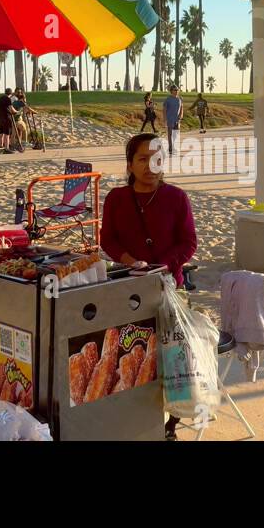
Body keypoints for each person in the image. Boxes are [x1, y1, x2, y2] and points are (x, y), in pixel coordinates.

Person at [100, 133, 198, 441]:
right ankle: (134, 421)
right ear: (129, 164)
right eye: (142, 159)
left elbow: (188, 243)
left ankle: (170, 425)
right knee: (133, 359)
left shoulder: (177, 198)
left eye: (156, 159)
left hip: (170, 289)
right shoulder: (116, 198)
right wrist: (131, 261)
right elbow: (108, 240)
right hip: (128, 290)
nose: (150, 166)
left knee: (173, 360)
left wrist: (163, 265)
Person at [163, 85, 183, 154]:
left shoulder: (179, 99)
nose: (176, 91)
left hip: (177, 120)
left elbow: (181, 108)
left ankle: (174, 146)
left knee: (176, 134)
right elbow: (164, 110)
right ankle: (170, 148)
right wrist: (165, 119)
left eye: (177, 90)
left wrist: (181, 115)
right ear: (171, 91)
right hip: (170, 119)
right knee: (170, 134)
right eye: (175, 90)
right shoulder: (168, 99)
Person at [0, 88, 18, 153]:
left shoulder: (1, 98)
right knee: (7, 133)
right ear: (11, 94)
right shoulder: (8, 99)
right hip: (7, 118)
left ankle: (0, 148)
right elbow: (11, 108)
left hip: (0, 118)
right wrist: (17, 112)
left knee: (1, 133)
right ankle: (7, 149)